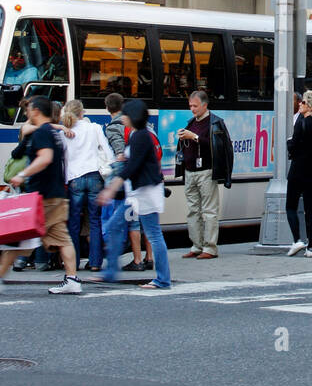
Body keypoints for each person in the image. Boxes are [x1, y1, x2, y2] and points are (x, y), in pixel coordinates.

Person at [0, 95, 82, 294]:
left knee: (18, 240)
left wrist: (22, 174)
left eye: (29, 110)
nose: (27, 112)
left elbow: (45, 158)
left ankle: (0, 275)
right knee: (61, 238)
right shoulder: (50, 132)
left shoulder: (42, 134)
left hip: (43, 196)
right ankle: (72, 280)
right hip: (55, 193)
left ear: (36, 110)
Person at [98, 98, 170, 289]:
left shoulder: (140, 136)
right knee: (115, 226)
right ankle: (111, 272)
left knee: (153, 234)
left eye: (126, 114)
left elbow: (133, 167)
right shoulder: (139, 135)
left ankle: (163, 279)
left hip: (144, 193)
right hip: (138, 194)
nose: (122, 118)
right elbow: (135, 161)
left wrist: (111, 188)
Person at [176, 89, 233, 260]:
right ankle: (197, 245)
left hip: (207, 171)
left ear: (205, 105)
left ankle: (210, 247)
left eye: (195, 106)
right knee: (193, 211)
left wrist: (194, 137)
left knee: (209, 211)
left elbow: (221, 147)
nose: (192, 109)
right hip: (190, 170)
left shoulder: (215, 123)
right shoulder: (192, 122)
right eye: (190, 106)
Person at [61, 99, 112, 272]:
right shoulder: (95, 128)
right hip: (95, 176)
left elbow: (63, 158)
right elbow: (107, 151)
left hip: (74, 178)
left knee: (73, 223)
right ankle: (95, 262)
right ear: (83, 112)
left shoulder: (65, 132)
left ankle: (73, 263)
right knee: (95, 221)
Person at [285, 90, 312, 258]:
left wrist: (290, 144)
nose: (299, 104)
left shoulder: (301, 123)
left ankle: (297, 240)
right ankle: (311, 247)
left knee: (291, 206)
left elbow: (293, 147)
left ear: (309, 106)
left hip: (299, 169)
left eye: (302, 102)